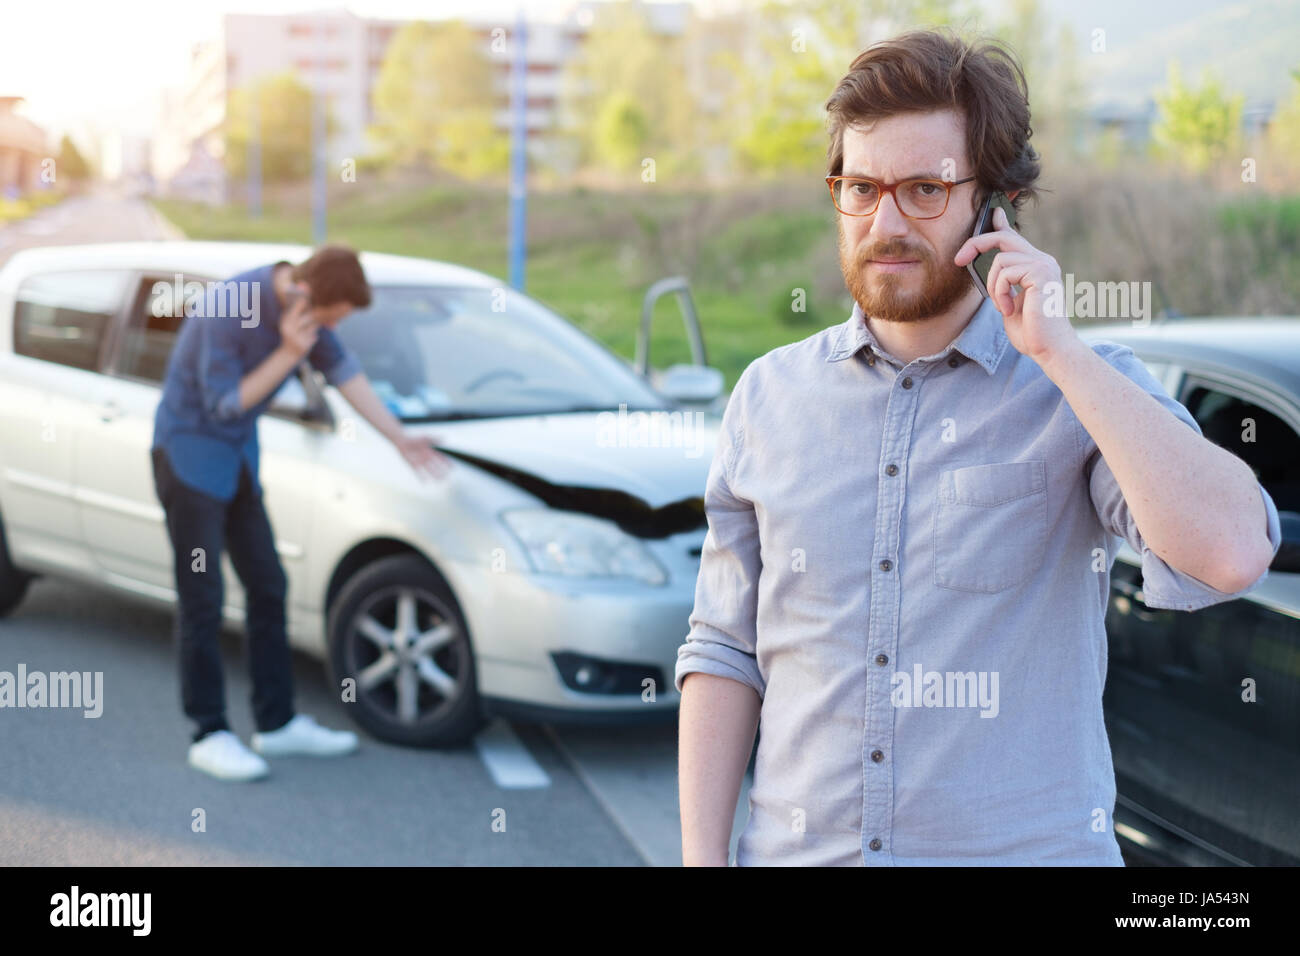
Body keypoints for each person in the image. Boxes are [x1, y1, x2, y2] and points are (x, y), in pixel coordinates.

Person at [675, 29, 1282, 865]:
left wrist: (1059, 351)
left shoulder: (1077, 388)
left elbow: (1232, 553)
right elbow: (723, 648)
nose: (884, 221)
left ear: (993, 207)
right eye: (860, 188)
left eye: (924, 189)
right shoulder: (768, 398)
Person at [151, 243, 453, 781]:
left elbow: (344, 371)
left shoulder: (308, 307)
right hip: (190, 460)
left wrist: (401, 440)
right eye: (335, 316)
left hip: (238, 463)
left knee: (268, 585)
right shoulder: (231, 305)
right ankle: (209, 733)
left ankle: (277, 723)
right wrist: (290, 353)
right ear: (308, 292)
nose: (333, 326)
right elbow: (226, 404)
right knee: (203, 599)